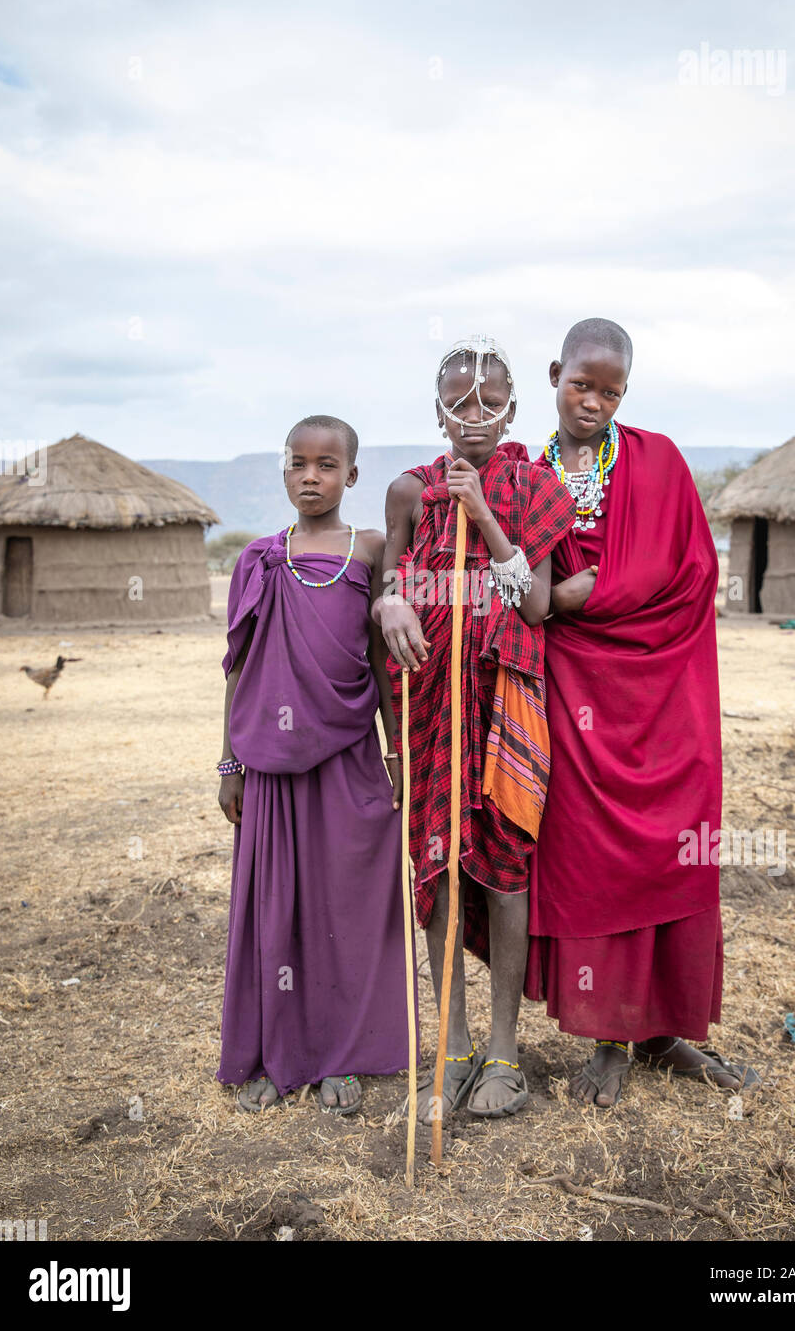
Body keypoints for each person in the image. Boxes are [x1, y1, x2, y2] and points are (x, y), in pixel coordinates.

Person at [525, 318, 759, 1106]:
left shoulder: (659, 461)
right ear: (555, 373)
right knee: (590, 853)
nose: (592, 402)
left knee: (672, 847)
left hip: (663, 692)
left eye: (610, 391)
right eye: (579, 384)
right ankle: (608, 1036)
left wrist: (601, 591)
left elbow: (696, 569)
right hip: (576, 694)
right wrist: (559, 599)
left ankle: (664, 1029)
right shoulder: (528, 473)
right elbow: (513, 579)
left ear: (627, 392)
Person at [376, 335, 574, 1119]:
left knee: (504, 872)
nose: (475, 414)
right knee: (437, 873)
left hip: (506, 711)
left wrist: (484, 513)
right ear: (437, 413)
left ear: (514, 409)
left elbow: (532, 604)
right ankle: (451, 1049)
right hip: (430, 709)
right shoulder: (405, 492)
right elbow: (391, 584)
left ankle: (504, 1055)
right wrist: (389, 600)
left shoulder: (535, 485)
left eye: (490, 400)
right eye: (459, 402)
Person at [216, 415, 412, 1115]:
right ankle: (274, 1055)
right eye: (298, 463)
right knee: (276, 906)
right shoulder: (259, 559)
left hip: (350, 753)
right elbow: (237, 667)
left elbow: (384, 661)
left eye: (326, 465)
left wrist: (397, 751)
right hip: (269, 761)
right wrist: (228, 761)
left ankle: (343, 1054)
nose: (310, 476)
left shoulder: (372, 549)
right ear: (284, 470)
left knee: (348, 905)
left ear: (351, 476)